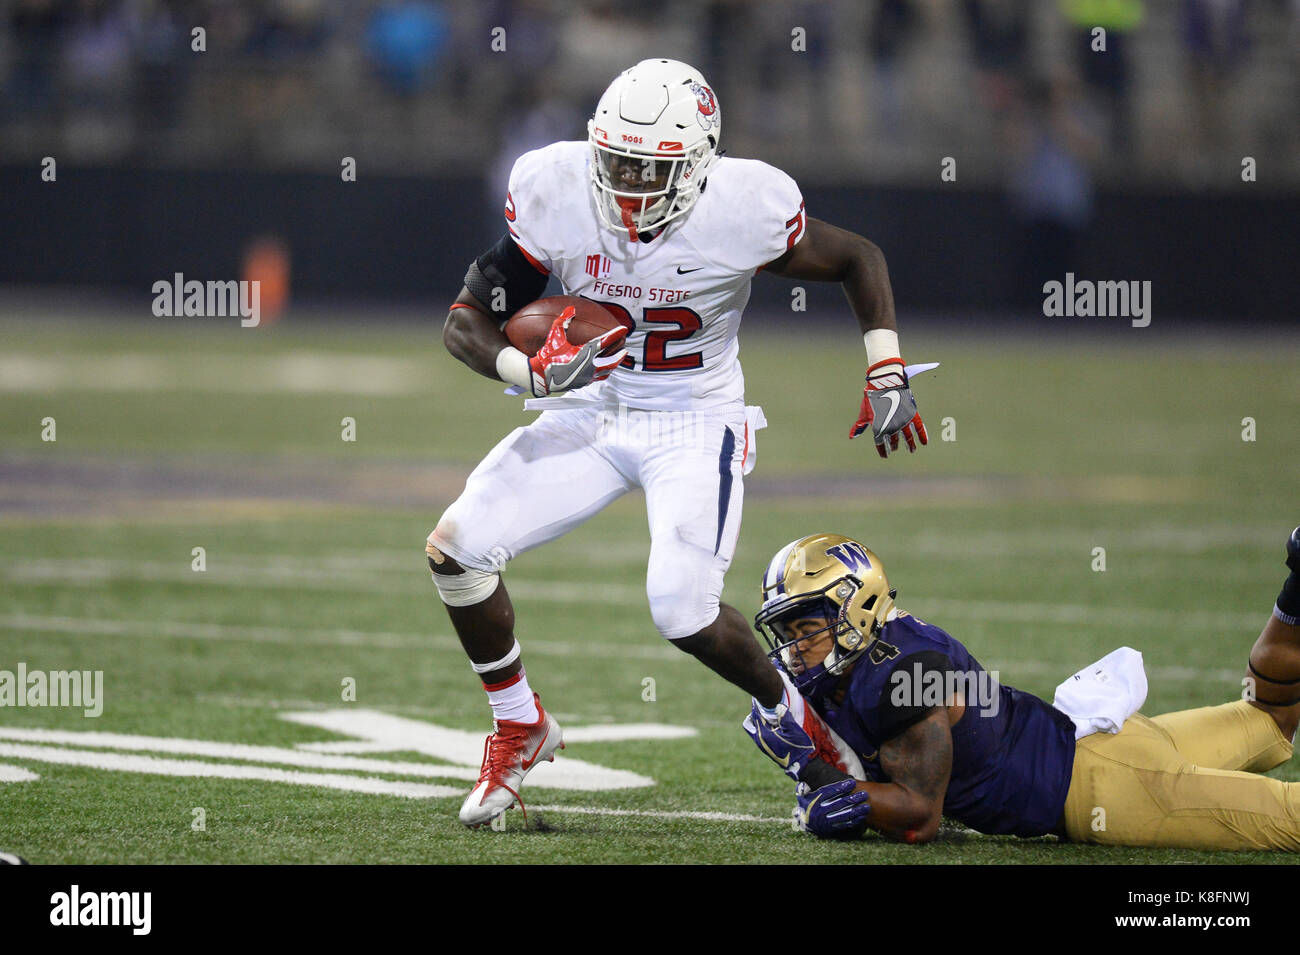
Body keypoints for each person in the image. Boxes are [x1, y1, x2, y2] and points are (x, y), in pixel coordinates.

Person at [430, 59, 930, 827]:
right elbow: (465, 318)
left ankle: (812, 738)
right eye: (616, 160)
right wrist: (528, 372)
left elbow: (860, 257)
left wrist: (886, 367)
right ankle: (520, 723)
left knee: (681, 608)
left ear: (698, 166)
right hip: (591, 406)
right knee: (456, 549)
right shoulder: (556, 189)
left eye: (648, 167)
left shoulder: (744, 205)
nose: (626, 182)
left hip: (693, 417)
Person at [744, 527, 1300, 850]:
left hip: (1106, 790)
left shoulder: (902, 678)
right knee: (1268, 716)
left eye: (806, 627)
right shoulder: (888, 646)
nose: (795, 648)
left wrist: (821, 781)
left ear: (854, 607)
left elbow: (918, 819)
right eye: (787, 632)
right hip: (1094, 740)